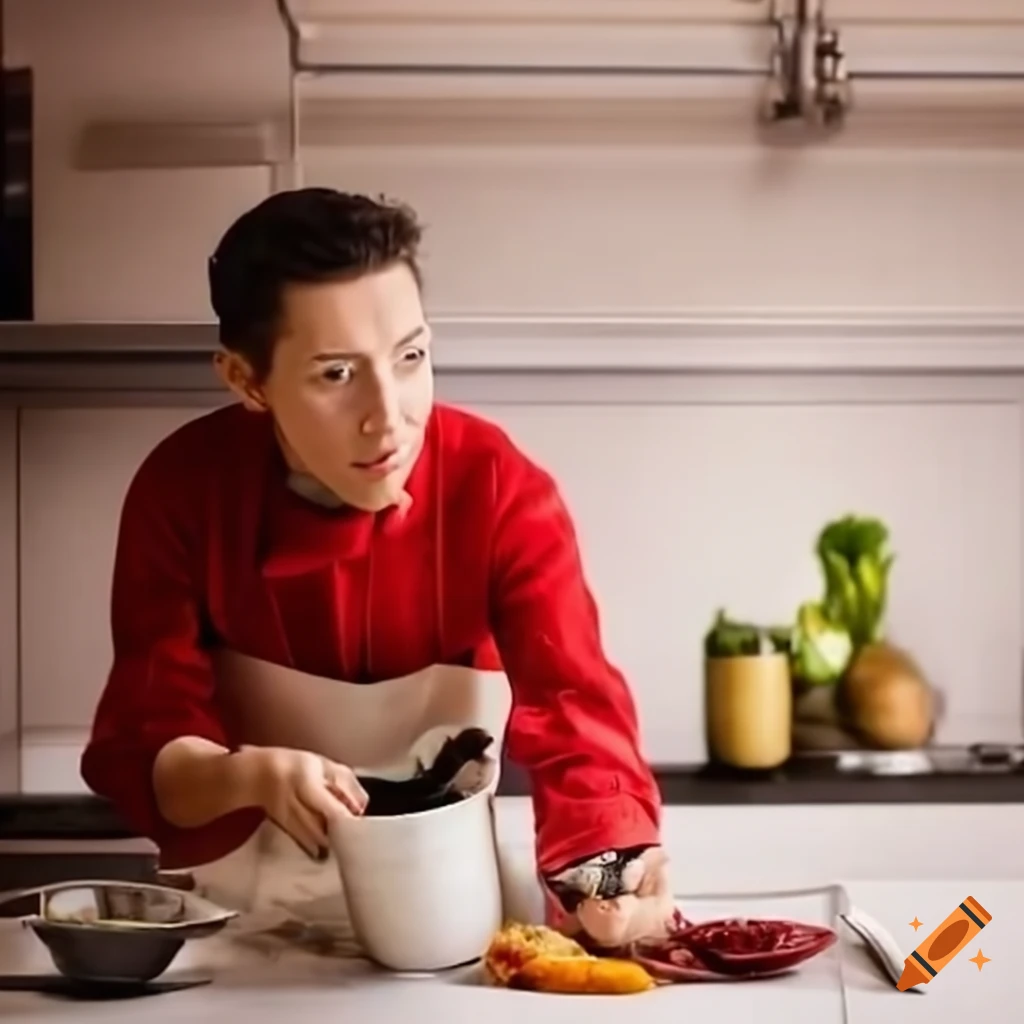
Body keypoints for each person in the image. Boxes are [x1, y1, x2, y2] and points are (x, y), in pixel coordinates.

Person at [80, 187, 674, 949]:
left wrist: (612, 872)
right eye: (335, 375)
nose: (388, 414)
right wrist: (249, 776)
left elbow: (577, 713)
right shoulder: (182, 491)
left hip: (452, 919)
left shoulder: (496, 484)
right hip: (242, 929)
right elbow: (150, 735)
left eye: (412, 357)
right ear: (244, 380)